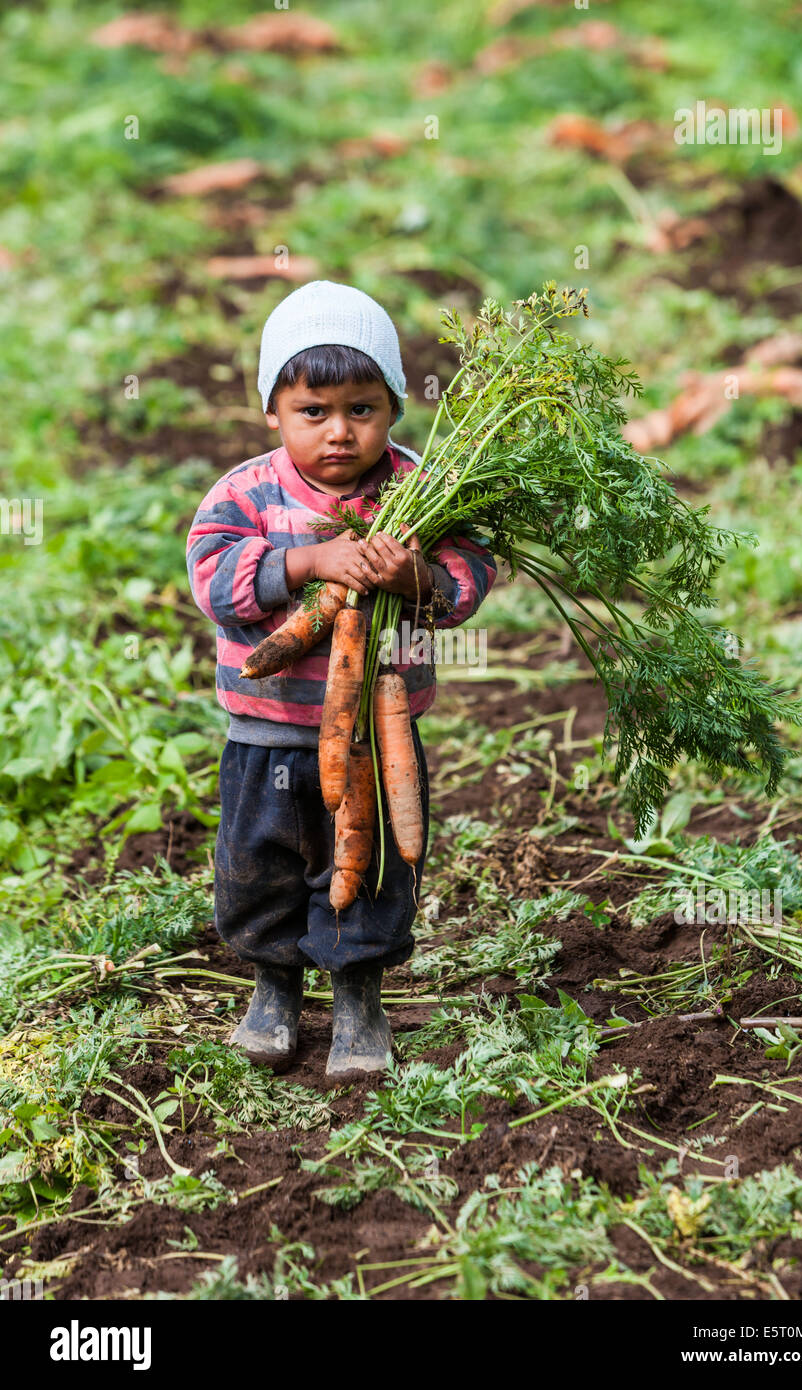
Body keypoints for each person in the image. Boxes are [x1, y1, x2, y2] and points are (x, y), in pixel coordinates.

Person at [186, 280, 496, 1077]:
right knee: (259, 862)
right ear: (273, 413)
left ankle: (360, 996)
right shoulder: (244, 493)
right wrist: (308, 563)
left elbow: (467, 578)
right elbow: (215, 581)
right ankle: (274, 985)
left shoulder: (421, 490)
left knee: (378, 861)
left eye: (362, 409)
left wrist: (413, 577)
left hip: (378, 730)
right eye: (313, 412)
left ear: (394, 406)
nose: (338, 432)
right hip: (266, 730)